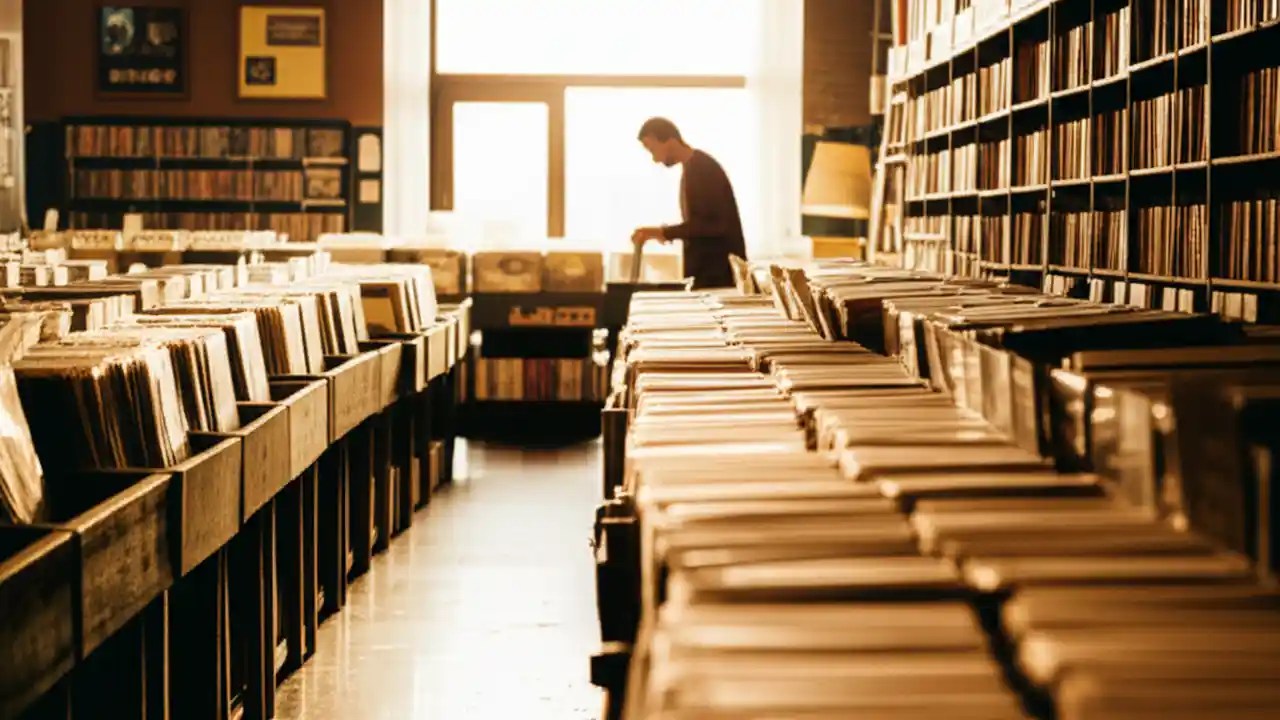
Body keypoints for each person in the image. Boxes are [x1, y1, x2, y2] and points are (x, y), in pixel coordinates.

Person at [631, 117, 747, 289]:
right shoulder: (693, 167)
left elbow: (712, 225)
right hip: (709, 276)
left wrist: (663, 232)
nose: (654, 159)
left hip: (717, 277)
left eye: (652, 149)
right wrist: (660, 232)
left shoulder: (702, 168)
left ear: (669, 141)